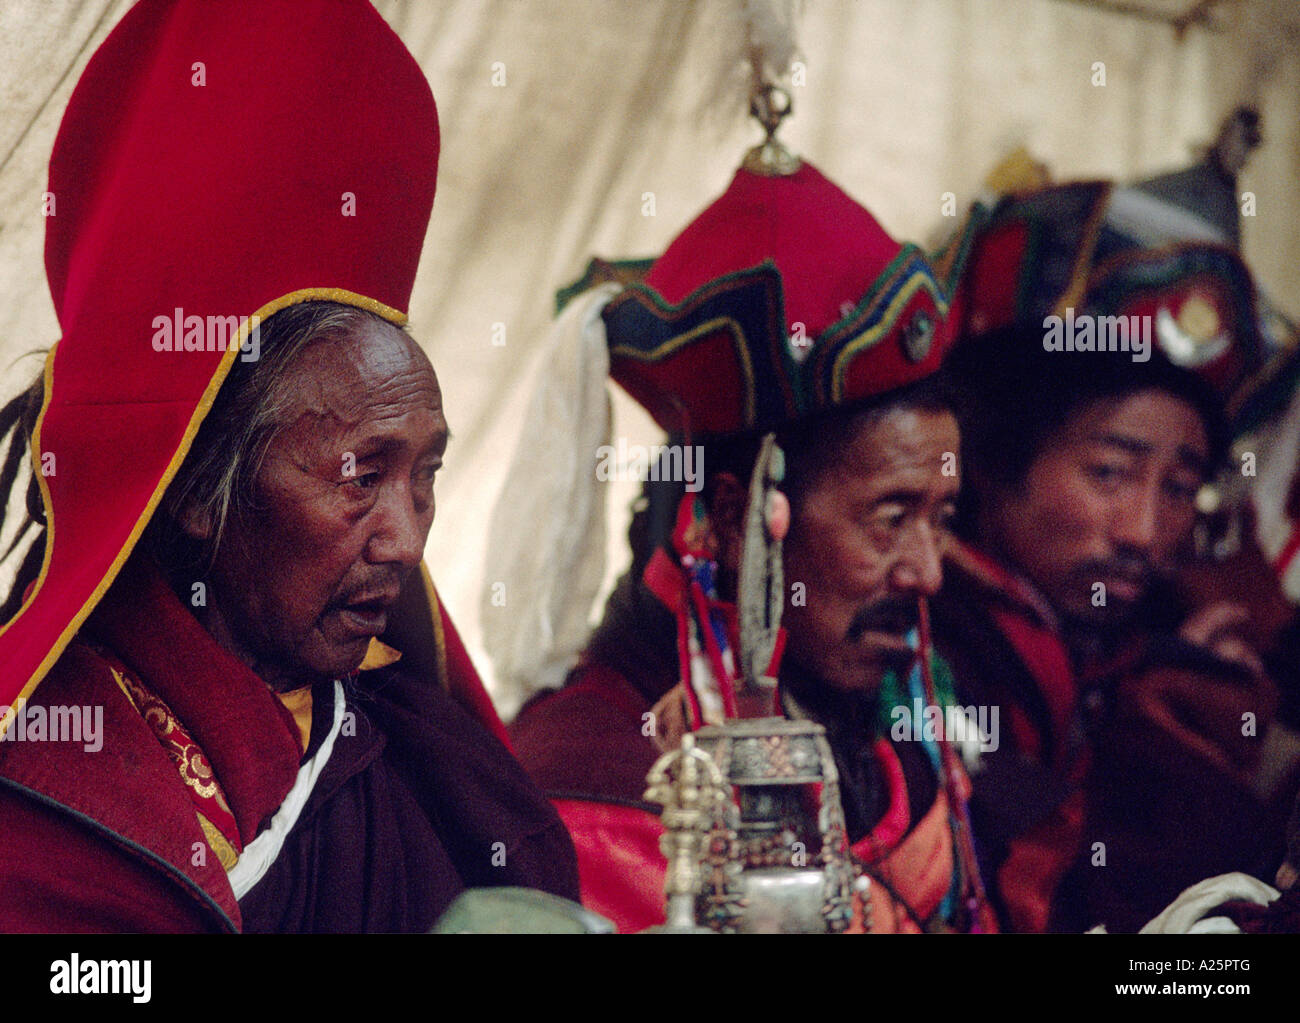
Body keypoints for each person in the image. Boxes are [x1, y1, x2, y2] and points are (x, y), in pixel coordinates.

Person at [0, 0, 576, 933]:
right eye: (360, 476)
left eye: (425, 473)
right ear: (195, 487)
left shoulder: (424, 764)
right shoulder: (53, 814)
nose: (405, 536)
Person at [501, 107, 996, 932]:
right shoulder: (594, 785)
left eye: (941, 517)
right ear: (734, 520)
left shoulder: (892, 733)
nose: (927, 571)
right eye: (890, 515)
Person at [935, 321, 1283, 933]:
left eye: (1179, 488)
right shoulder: (929, 643)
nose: (1143, 532)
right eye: (1109, 473)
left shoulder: (1130, 648)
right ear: (991, 471)